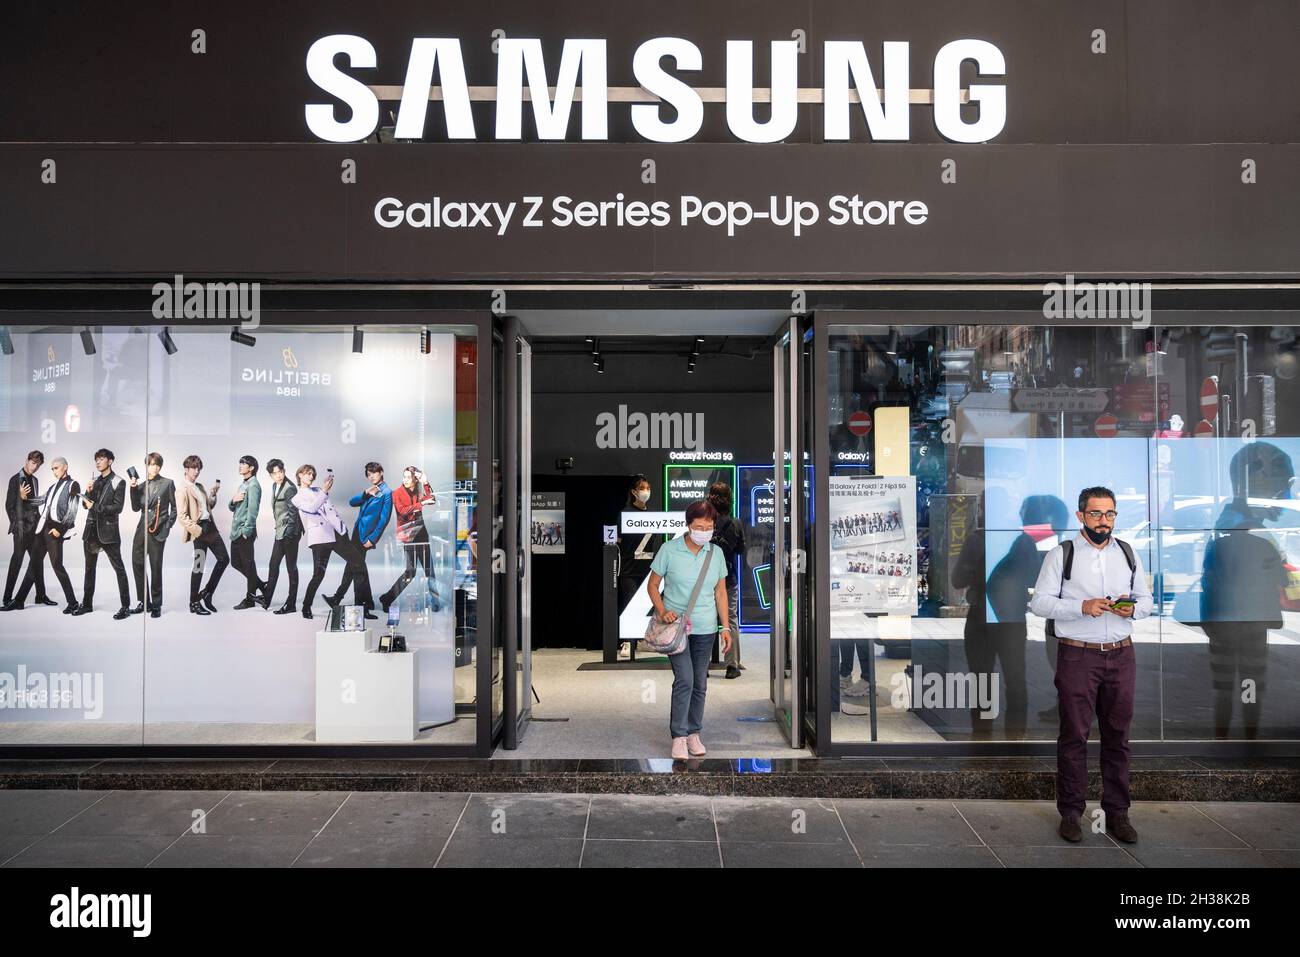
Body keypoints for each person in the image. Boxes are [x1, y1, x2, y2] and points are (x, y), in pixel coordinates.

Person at [1029, 485, 1152, 845]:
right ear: (1081, 516)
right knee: (1074, 736)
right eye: (1096, 514)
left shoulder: (1128, 554)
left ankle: (1118, 814)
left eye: (1110, 513)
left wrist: (1134, 609)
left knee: (1118, 738)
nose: (1104, 521)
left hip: (1121, 653)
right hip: (1078, 654)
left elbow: (1146, 600)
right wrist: (1081, 607)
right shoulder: (1061, 554)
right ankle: (1071, 813)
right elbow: (1040, 604)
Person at [1200, 442, 1294, 739]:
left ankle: (1227, 740)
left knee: (1226, 686)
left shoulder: (1225, 525)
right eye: (1281, 488)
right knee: (1249, 685)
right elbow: (1279, 579)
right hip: (1248, 621)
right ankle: (1245, 744)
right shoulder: (1253, 532)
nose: (1286, 498)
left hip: (1225, 621)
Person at [646, 499, 732, 760]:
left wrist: (725, 627)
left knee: (700, 683)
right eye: (698, 526)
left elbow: (720, 592)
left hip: (705, 628)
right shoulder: (669, 550)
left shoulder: (715, 553)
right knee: (685, 680)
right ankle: (679, 736)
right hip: (676, 628)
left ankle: (694, 733)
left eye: (708, 526)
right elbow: (653, 585)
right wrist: (662, 611)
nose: (703, 530)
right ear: (688, 525)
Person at [294, 464, 369, 621]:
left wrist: (342, 528)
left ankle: (353, 604)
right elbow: (312, 508)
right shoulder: (297, 497)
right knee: (318, 575)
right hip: (320, 537)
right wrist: (325, 490)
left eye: (312, 474)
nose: (311, 476)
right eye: (307, 473)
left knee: (359, 563)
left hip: (336, 534)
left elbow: (330, 511)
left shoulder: (317, 491)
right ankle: (306, 606)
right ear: (300, 475)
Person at [8, 456, 80, 613]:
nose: (54, 471)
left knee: (57, 566)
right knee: (33, 565)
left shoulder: (73, 485)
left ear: (65, 467)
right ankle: (19, 601)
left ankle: (73, 602)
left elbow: (73, 511)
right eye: (52, 469)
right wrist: (23, 498)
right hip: (42, 530)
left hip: (55, 530)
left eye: (57, 468)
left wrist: (60, 529)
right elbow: (39, 501)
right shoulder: (53, 486)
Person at [73, 448, 132, 619]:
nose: (98, 462)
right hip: (91, 531)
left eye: (101, 459)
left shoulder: (118, 482)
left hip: (108, 532)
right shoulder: (94, 480)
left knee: (119, 569)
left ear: (110, 461)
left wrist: (95, 506)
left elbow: (117, 508)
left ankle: (125, 606)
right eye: (96, 460)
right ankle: (87, 604)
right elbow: (86, 505)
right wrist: (88, 492)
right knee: (89, 569)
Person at [327, 462, 390, 616]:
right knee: (355, 566)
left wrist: (373, 539)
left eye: (374, 473)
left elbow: (384, 519)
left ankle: (357, 605)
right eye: (369, 474)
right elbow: (352, 502)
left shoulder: (387, 493)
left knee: (357, 568)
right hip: (357, 532)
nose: (371, 476)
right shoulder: (370, 491)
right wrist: (365, 493)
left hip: (366, 536)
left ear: (381, 472)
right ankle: (364, 602)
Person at [379, 465, 437, 613]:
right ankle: (387, 598)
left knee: (429, 569)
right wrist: (422, 503)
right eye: (404, 477)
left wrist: (425, 483)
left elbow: (432, 499)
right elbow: (402, 510)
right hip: (408, 535)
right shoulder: (396, 493)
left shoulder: (418, 490)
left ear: (415, 480)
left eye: (408, 477)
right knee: (410, 572)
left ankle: (435, 602)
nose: (405, 480)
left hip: (422, 534)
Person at [176, 454, 227, 615]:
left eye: (198, 469)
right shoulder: (182, 489)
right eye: (193, 468)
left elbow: (208, 506)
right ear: (186, 469)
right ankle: (193, 602)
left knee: (224, 559)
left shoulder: (200, 486)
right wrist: (197, 531)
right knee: (199, 566)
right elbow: (182, 516)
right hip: (198, 530)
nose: (196, 471)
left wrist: (213, 494)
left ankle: (207, 593)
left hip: (210, 527)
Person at [128, 452, 177, 618]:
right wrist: (133, 487)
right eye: (151, 464)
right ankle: (144, 602)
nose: (154, 467)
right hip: (142, 528)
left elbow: (175, 508)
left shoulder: (168, 483)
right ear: (146, 466)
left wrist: (167, 526)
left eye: (157, 464)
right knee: (137, 563)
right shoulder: (141, 486)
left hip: (158, 529)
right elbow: (135, 508)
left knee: (156, 567)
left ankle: (156, 605)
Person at [707, 482, 746, 679]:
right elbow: (740, 550)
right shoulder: (736, 523)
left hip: (704, 579)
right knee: (729, 620)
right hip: (728, 578)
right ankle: (732, 665)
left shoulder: (703, 521)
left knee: (703, 619)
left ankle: (702, 665)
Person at [616, 474, 654, 660]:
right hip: (629, 569)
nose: (646, 492)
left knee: (647, 606)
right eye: (642, 488)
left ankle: (643, 640)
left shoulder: (653, 516)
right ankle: (627, 642)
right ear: (633, 492)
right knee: (629, 605)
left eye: (648, 488)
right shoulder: (625, 513)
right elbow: (618, 542)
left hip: (648, 569)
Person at [4, 451, 43, 607]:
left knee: (37, 562)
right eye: (33, 463)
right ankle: (7, 598)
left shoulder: (35, 480)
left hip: (34, 529)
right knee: (16, 563)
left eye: (38, 465)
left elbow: (31, 504)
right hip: (21, 529)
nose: (35, 467)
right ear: (27, 460)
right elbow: (9, 506)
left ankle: (41, 595)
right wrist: (18, 524)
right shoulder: (15, 479)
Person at [264, 458, 303, 615]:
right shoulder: (275, 485)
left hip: (290, 533)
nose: (278, 475)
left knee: (291, 568)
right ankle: (266, 600)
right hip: (280, 531)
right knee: (273, 564)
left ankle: (291, 604)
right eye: (275, 473)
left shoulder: (290, 488)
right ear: (271, 476)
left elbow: (293, 514)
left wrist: (288, 534)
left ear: (284, 471)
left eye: (280, 472)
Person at [228, 454, 268, 609]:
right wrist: (233, 500)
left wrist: (246, 531)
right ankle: (261, 586)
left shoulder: (253, 486)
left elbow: (253, 511)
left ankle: (250, 599)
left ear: (251, 468)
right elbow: (233, 508)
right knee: (236, 562)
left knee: (249, 564)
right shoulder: (243, 484)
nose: (240, 466)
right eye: (240, 463)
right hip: (236, 531)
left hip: (244, 532)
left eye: (243, 464)